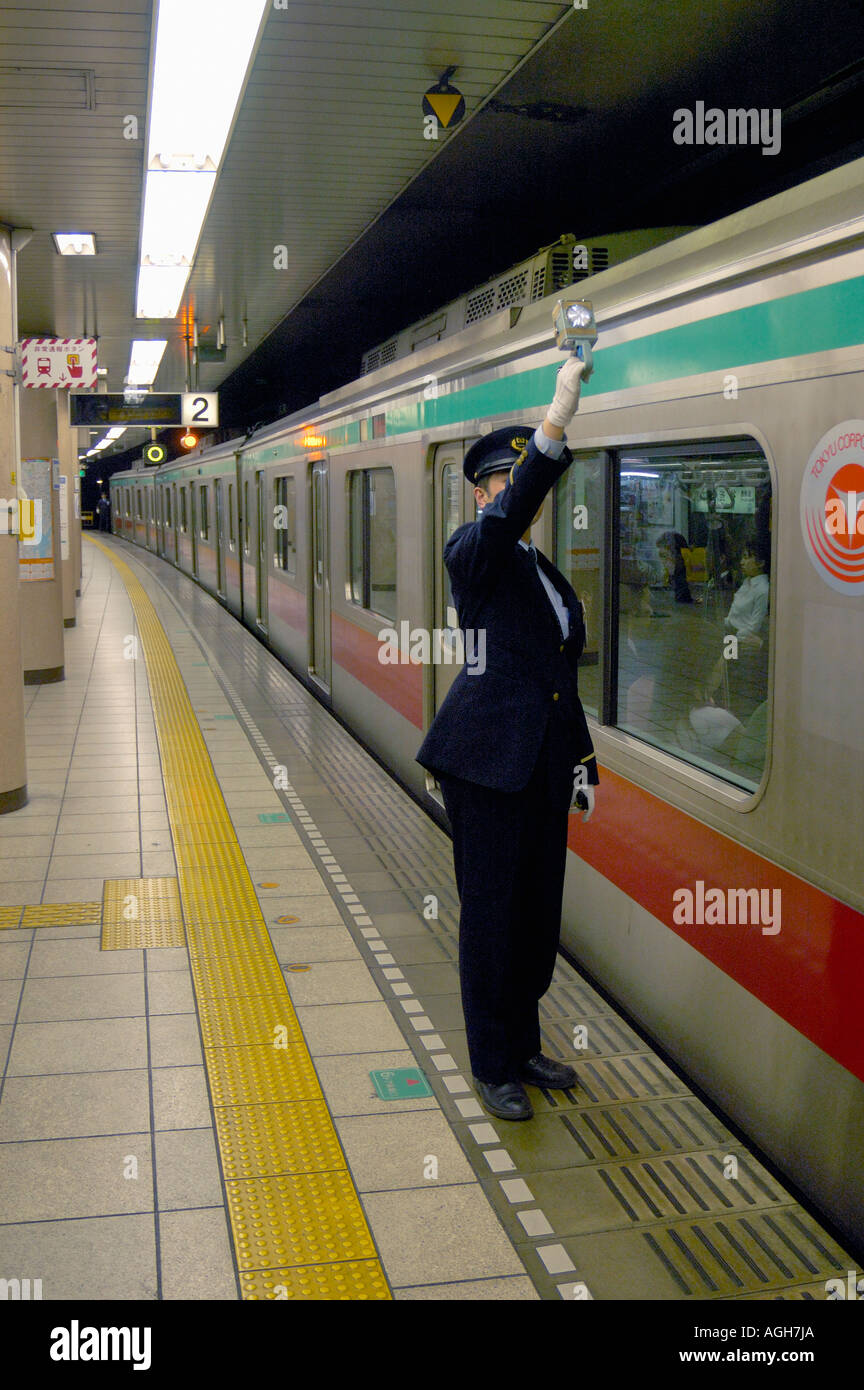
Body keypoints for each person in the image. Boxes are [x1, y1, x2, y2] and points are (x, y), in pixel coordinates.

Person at [416, 350, 599, 1122]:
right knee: (490, 917)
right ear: (487, 495)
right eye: (503, 487)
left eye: (513, 485)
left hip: (542, 768)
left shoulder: (543, 573)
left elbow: (558, 673)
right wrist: (556, 422)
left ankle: (522, 1042)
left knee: (535, 915)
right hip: (485, 767)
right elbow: (518, 503)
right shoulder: (475, 554)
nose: (513, 497)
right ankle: (491, 1063)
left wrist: (584, 761)